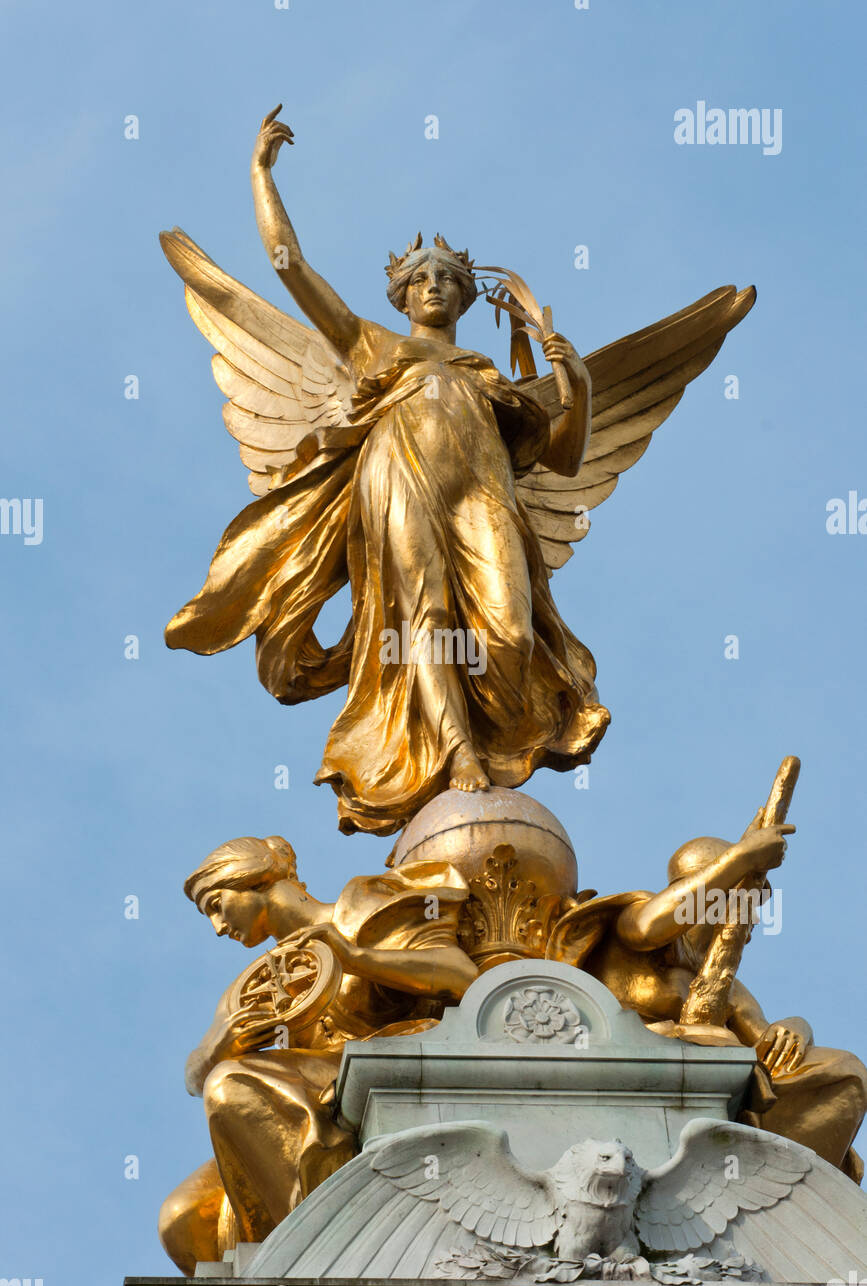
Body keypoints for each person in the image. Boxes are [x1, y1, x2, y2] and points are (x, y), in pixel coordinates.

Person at [165, 106, 609, 834]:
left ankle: (499, 737)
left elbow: (562, 460)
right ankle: (456, 749)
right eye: (418, 277)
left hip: (484, 490)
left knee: (509, 633)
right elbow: (289, 267)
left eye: (446, 278)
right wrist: (260, 175)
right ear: (400, 295)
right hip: (398, 480)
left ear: (464, 298)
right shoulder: (373, 348)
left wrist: (580, 388)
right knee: (422, 617)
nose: (432, 283)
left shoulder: (486, 373)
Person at [158, 834, 475, 1274]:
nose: (217, 927)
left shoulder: (362, 905)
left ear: (252, 880)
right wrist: (219, 1046)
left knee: (229, 1085)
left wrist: (355, 956)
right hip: (300, 1088)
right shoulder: (262, 982)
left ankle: (322, 1252)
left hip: (374, 1067)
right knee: (184, 1218)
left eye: (216, 905)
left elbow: (462, 977)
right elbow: (195, 1075)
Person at [573, 827, 866, 1180]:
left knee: (844, 1072)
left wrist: (798, 1026)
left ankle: (784, 1189)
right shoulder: (633, 928)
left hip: (706, 1093)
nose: (754, 918)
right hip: (621, 1077)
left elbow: (764, 1044)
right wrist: (744, 857)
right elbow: (650, 926)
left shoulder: (728, 986)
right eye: (746, 902)